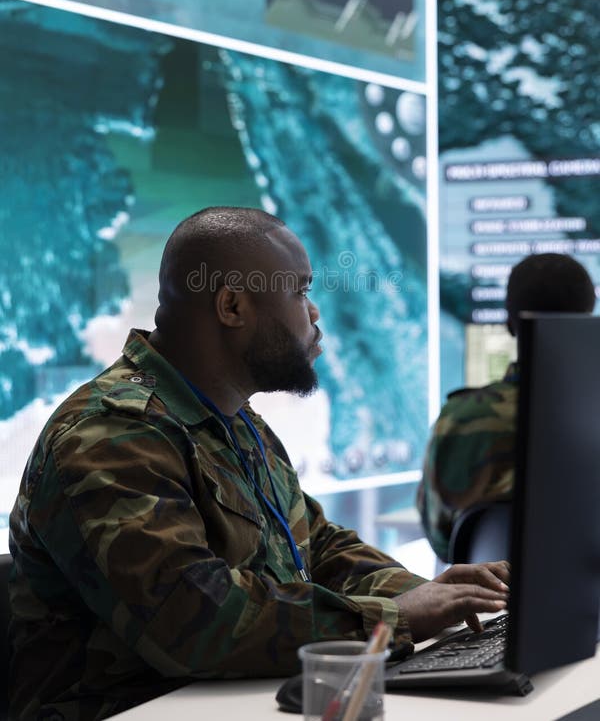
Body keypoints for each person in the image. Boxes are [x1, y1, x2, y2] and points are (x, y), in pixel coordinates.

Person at [9, 207, 509, 720]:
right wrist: (394, 619)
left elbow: (319, 547)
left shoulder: (233, 420)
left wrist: (433, 596)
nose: (313, 314)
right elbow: (194, 619)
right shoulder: (110, 435)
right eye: (300, 292)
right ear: (231, 306)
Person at [417, 252, 596, 563]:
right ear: (590, 317)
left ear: (509, 324)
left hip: (489, 606)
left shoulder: (459, 420)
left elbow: (442, 540)